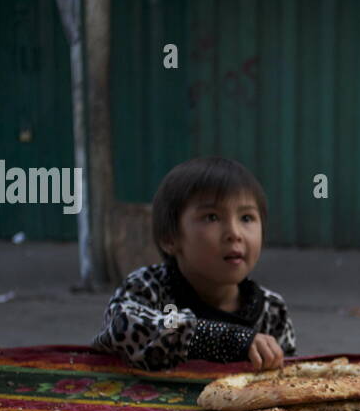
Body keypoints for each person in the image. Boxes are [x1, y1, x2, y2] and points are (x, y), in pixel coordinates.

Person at [93, 157, 295, 370]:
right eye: (212, 217)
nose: (234, 234)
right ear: (170, 238)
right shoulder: (147, 287)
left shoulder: (272, 311)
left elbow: (288, 378)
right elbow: (123, 329)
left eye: (246, 218)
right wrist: (229, 340)